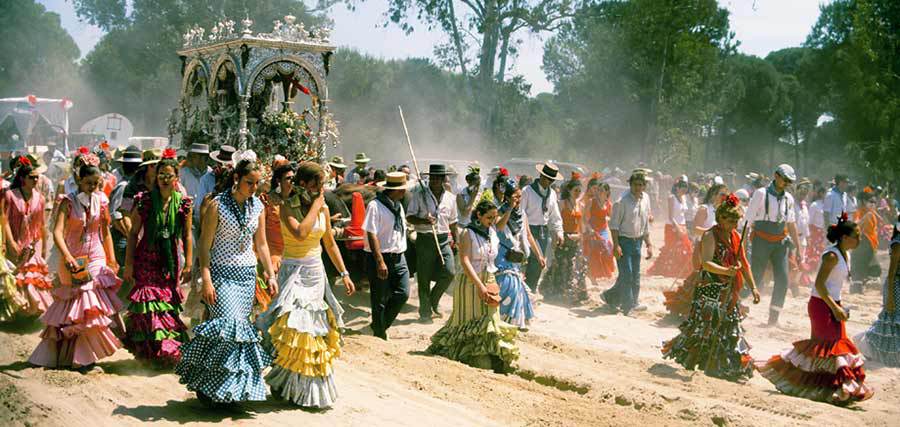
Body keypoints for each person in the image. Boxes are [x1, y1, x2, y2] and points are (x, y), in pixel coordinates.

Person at [175, 152, 278, 405]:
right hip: (221, 274)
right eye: (249, 182)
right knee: (227, 327)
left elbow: (262, 244)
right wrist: (207, 279)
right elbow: (204, 246)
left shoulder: (258, 206)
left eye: (257, 183)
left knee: (239, 333)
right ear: (236, 178)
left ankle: (226, 390)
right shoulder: (217, 204)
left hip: (246, 276)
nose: (253, 188)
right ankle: (211, 386)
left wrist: (270, 274)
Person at [256, 161, 355, 408]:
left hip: (316, 273)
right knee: (294, 329)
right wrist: (318, 207)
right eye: (316, 184)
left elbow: (329, 243)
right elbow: (300, 232)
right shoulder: (287, 206)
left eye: (322, 184)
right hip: (292, 272)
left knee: (313, 330)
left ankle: (305, 389)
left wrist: (344, 273)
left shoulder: (321, 210)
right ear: (303, 184)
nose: (321, 188)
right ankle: (284, 382)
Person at [758, 214, 874, 404]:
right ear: (845, 238)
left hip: (832, 304)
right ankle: (826, 388)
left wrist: (839, 306)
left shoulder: (845, 254)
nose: (860, 240)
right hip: (821, 305)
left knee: (836, 348)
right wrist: (835, 308)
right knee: (826, 348)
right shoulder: (831, 256)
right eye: (857, 236)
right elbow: (819, 284)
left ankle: (835, 388)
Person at [29, 164, 122, 371]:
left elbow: (105, 232)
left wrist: (112, 259)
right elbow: (58, 232)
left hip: (96, 255)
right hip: (71, 256)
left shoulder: (102, 201)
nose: (92, 187)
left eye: (96, 183)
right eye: (88, 183)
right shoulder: (67, 202)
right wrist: (68, 256)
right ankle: (68, 354)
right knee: (73, 305)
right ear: (79, 180)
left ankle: (85, 358)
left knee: (91, 301)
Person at [662, 193, 760, 381]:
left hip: (729, 291)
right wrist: (726, 270)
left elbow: (744, 263)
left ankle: (725, 365)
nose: (734, 224)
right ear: (721, 218)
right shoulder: (710, 236)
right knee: (706, 326)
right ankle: (703, 361)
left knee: (729, 326)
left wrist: (753, 287)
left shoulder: (736, 236)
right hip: (710, 290)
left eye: (736, 220)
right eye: (730, 220)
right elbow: (706, 263)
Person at [428, 200, 518, 372]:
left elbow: (499, 227)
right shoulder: (467, 233)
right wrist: (479, 286)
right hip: (469, 282)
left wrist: (509, 208)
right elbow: (465, 261)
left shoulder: (491, 231)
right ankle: (469, 355)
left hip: (489, 279)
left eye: (494, 217)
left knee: (491, 318)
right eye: (489, 217)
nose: (492, 220)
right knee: (469, 319)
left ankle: (489, 354)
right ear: (479, 216)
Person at [121, 149, 193, 365]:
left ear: (176, 179)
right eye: (160, 175)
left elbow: (187, 235)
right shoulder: (144, 201)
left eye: (168, 176)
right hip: (145, 260)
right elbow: (133, 234)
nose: (163, 179)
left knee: (166, 304)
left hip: (169, 261)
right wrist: (128, 265)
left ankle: (166, 351)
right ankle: (149, 353)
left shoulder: (183, 203)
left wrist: (189, 263)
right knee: (148, 305)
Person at [744, 164, 801, 326]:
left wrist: (798, 248)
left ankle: (773, 319)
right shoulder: (760, 194)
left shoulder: (788, 198)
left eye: (789, 182)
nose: (787, 184)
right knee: (755, 276)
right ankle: (735, 304)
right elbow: (748, 219)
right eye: (785, 180)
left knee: (783, 279)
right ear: (776, 176)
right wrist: (741, 243)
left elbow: (791, 223)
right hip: (761, 240)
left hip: (780, 243)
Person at [663, 183, 728, 319]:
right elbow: (696, 229)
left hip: (718, 250)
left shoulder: (721, 211)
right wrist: (714, 233)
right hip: (703, 248)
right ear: (714, 195)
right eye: (722, 194)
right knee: (700, 278)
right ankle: (683, 308)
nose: (725, 197)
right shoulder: (705, 209)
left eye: (726, 195)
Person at [364, 172, 413, 340]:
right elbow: (372, 234)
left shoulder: (397, 206)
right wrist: (380, 262)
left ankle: (380, 324)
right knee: (379, 297)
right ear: (397, 190)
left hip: (399, 256)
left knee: (403, 293)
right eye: (403, 189)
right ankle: (379, 332)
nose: (405, 192)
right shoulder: (375, 206)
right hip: (381, 257)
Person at [407, 163, 459, 322]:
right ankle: (425, 312)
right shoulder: (419, 195)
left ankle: (433, 300)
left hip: (443, 239)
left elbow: (453, 222)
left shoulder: (451, 198)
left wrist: (456, 241)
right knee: (424, 277)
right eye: (433, 177)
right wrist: (423, 220)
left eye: (438, 177)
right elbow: (409, 217)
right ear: (429, 178)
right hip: (425, 238)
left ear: (444, 179)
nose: (435, 180)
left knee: (450, 272)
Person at [3, 156, 53, 316]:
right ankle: (18, 311)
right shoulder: (10, 195)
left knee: (32, 276)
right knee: (16, 274)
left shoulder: (41, 198)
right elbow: (3, 221)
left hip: (33, 243)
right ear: (23, 178)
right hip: (15, 240)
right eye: (32, 177)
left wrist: (44, 248)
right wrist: (10, 242)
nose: (36, 180)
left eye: (37, 177)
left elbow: (42, 225)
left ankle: (32, 309)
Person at [602, 171, 653, 315]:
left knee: (635, 274)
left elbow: (645, 224)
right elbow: (614, 226)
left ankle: (615, 297)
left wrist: (648, 244)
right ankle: (628, 306)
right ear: (630, 184)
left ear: (644, 186)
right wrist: (616, 245)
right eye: (635, 184)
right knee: (627, 274)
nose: (638, 187)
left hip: (638, 241)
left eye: (641, 185)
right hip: (624, 241)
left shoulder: (646, 199)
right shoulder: (621, 201)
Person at [495, 178, 542, 330]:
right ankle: (503, 318)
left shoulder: (522, 214)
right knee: (509, 286)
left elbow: (528, 236)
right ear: (507, 197)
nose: (518, 199)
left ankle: (515, 320)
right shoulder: (499, 211)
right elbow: (500, 227)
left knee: (517, 287)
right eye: (515, 196)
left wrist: (538, 255)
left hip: (516, 257)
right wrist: (509, 208)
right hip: (502, 255)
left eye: (520, 196)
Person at [858, 215, 900, 366]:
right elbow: (891, 272)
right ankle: (872, 348)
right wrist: (889, 296)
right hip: (895, 286)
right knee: (891, 319)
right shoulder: (897, 244)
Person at [539, 176, 588, 304]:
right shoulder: (562, 204)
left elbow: (582, 223)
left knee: (574, 266)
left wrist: (581, 236)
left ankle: (570, 293)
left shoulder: (581, 205)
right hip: (563, 237)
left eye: (579, 191)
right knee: (561, 264)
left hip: (575, 238)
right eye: (575, 190)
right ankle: (555, 291)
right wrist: (556, 238)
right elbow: (555, 222)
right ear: (569, 190)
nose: (577, 193)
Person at [520, 162, 564, 297]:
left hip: (543, 231)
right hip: (528, 229)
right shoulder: (527, 191)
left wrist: (559, 232)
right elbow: (521, 212)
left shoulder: (552, 194)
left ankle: (530, 290)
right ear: (541, 176)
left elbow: (555, 216)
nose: (549, 182)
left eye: (552, 180)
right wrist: (522, 233)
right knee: (529, 260)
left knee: (539, 263)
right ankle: (524, 291)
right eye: (547, 179)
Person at [648, 177, 694, 279]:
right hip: (672, 226)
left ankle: (680, 270)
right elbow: (671, 216)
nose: (684, 189)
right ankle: (666, 270)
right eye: (682, 187)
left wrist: (683, 227)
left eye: (686, 187)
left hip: (682, 226)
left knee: (685, 248)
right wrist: (677, 227)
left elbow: (683, 215)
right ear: (677, 188)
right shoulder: (671, 197)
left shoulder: (684, 198)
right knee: (671, 248)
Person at [109, 146, 143, 268]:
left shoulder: (134, 186)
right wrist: (131, 238)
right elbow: (117, 217)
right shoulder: (124, 187)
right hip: (123, 238)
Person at [260, 161, 295, 273]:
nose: (292, 181)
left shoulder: (298, 200)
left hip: (294, 254)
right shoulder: (267, 200)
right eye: (288, 178)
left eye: (293, 178)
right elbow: (258, 231)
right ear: (278, 181)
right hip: (273, 255)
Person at [850, 190, 882, 294]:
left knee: (873, 268)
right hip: (862, 243)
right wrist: (866, 217)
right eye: (870, 201)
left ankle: (860, 287)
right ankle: (857, 288)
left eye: (874, 202)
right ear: (864, 201)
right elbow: (855, 225)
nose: (873, 204)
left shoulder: (872, 213)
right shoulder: (859, 212)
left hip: (870, 244)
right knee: (861, 267)